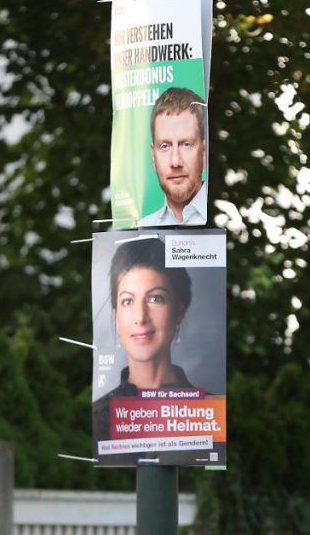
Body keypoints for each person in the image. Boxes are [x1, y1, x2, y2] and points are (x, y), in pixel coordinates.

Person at [92, 237, 198, 456]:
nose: (140, 317)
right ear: (116, 315)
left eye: (155, 298)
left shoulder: (206, 412)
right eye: (128, 301)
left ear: (179, 311)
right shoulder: (97, 416)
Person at [138, 87, 208, 227]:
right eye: (165, 146)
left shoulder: (225, 219)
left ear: (204, 152)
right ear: (153, 156)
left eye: (186, 144)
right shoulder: (143, 228)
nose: (175, 162)